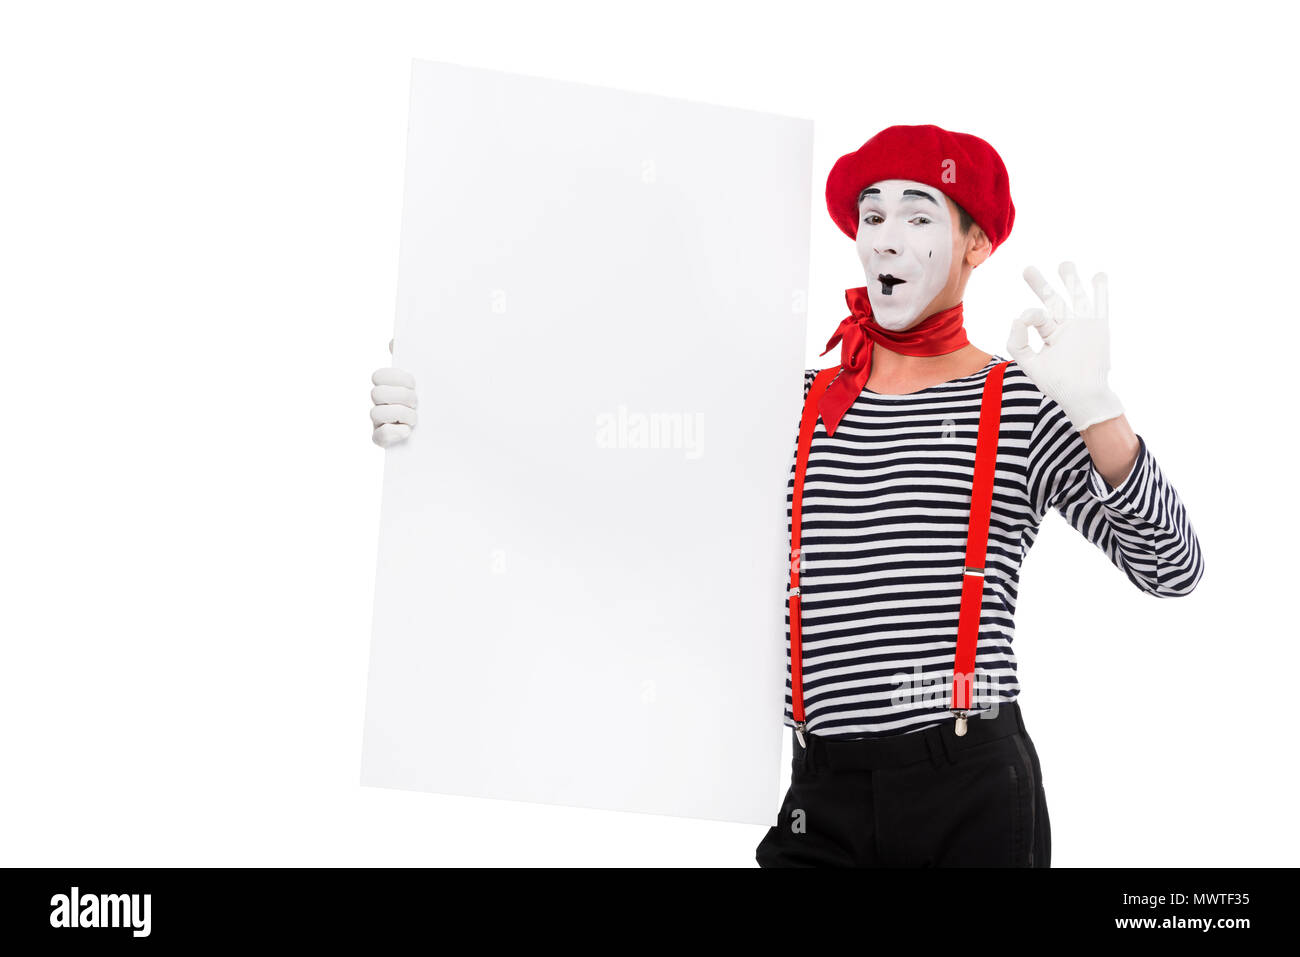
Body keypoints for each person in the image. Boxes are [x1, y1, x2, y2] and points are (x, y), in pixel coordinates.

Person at [367, 123, 1205, 867]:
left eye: (920, 215)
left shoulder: (1020, 397)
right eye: (872, 217)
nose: (888, 238)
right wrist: (452, 391)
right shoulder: (797, 401)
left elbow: (1173, 567)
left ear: (976, 242)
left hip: (969, 787)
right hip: (822, 792)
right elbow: (615, 478)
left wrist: (1097, 409)